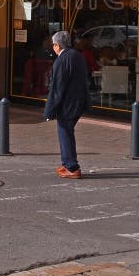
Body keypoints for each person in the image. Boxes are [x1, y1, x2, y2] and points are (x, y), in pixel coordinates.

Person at [43, 30, 90, 180]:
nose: (53, 48)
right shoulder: (77, 55)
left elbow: (57, 87)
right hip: (79, 101)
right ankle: (66, 162)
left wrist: (50, 110)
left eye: (53, 45)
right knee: (66, 131)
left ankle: (72, 167)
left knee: (65, 132)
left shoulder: (61, 60)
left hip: (69, 104)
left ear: (57, 45)